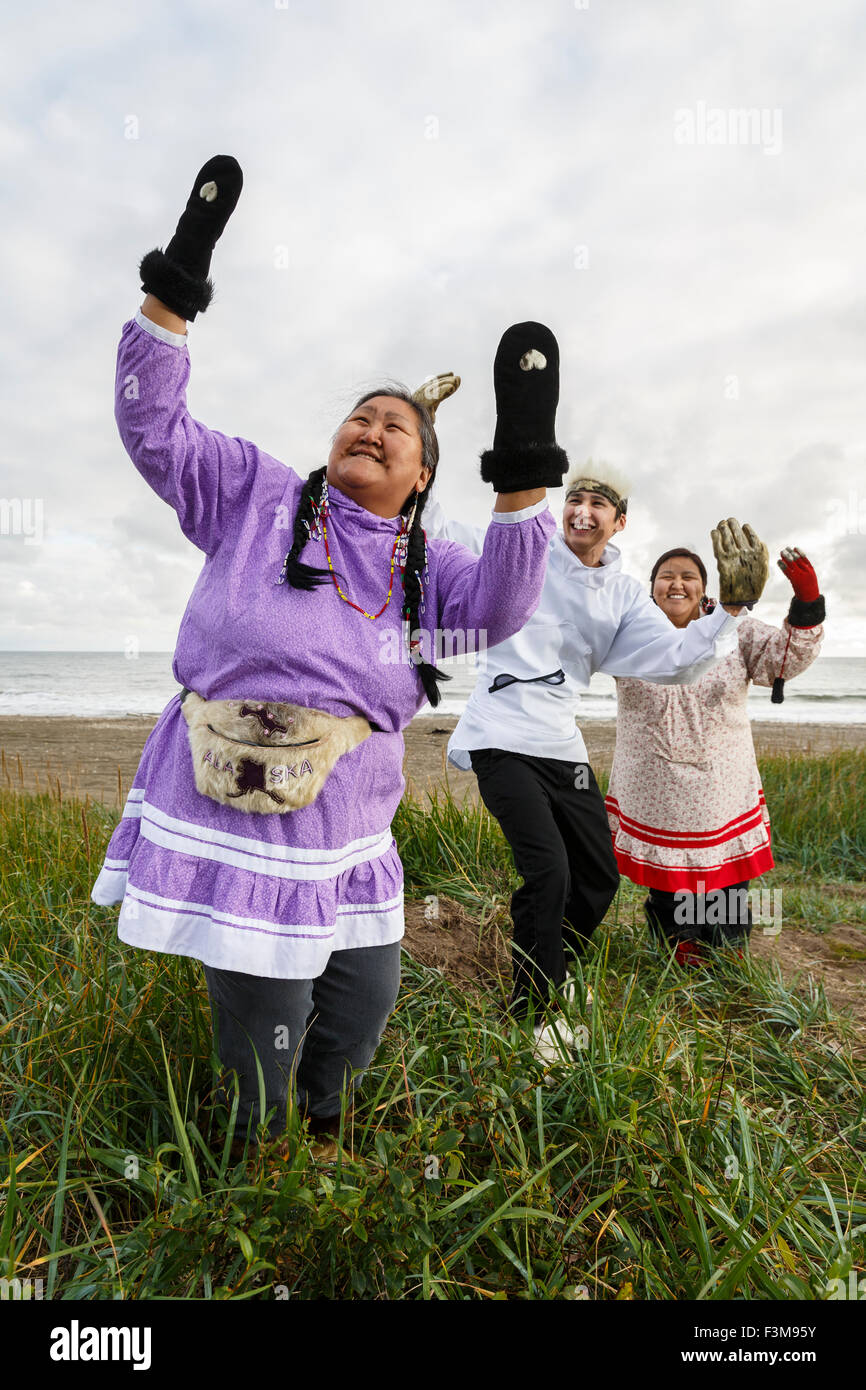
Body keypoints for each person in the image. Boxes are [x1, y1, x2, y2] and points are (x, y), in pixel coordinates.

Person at [90, 156, 568, 1160]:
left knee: (358, 1002)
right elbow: (152, 426)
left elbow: (496, 607)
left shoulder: (428, 562)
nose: (372, 425)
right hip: (234, 806)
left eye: (396, 425)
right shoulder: (256, 494)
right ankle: (254, 1172)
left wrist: (523, 473)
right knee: (262, 1023)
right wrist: (176, 285)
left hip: (349, 826)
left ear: (422, 473)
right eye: (361, 413)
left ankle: (321, 1129)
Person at [424, 462, 768, 1061]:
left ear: (619, 522)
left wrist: (730, 611)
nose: (582, 510)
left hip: (562, 744)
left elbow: (677, 659)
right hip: (499, 734)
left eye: (598, 504)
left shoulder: (627, 594)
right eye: (575, 498)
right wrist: (423, 460)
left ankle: (553, 964)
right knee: (549, 870)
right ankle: (534, 1009)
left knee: (599, 875)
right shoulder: (521, 552)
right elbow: (439, 533)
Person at [605, 544, 825, 964]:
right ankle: (675, 953)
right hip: (654, 785)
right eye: (667, 575)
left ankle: (728, 954)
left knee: (727, 880)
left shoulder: (736, 631)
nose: (677, 583)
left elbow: (784, 659)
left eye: (689, 576)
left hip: (721, 783)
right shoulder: (627, 632)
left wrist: (807, 600)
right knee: (669, 881)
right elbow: (577, 645)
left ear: (704, 588)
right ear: (652, 588)